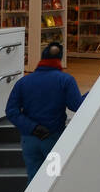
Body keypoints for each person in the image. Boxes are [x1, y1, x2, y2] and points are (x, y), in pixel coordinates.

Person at [5, 42, 88, 179]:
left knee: (33, 178)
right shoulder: (65, 80)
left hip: (29, 139)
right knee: (51, 179)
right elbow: (76, 106)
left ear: (42, 58)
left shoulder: (23, 82)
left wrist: (33, 128)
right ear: (60, 59)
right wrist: (91, 94)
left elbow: (11, 111)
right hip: (53, 137)